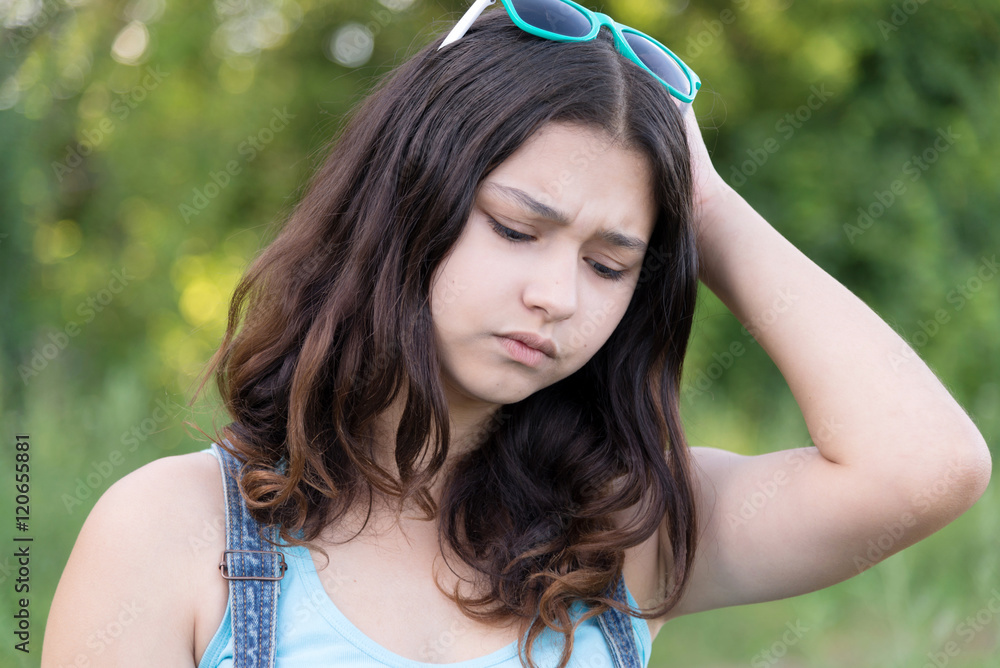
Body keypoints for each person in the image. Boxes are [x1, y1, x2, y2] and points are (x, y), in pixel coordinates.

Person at [42, 2, 991, 667]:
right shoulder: (175, 532)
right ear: (406, 203)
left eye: (610, 263)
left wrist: (707, 204)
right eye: (516, 228)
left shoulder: (627, 530)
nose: (557, 294)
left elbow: (924, 468)